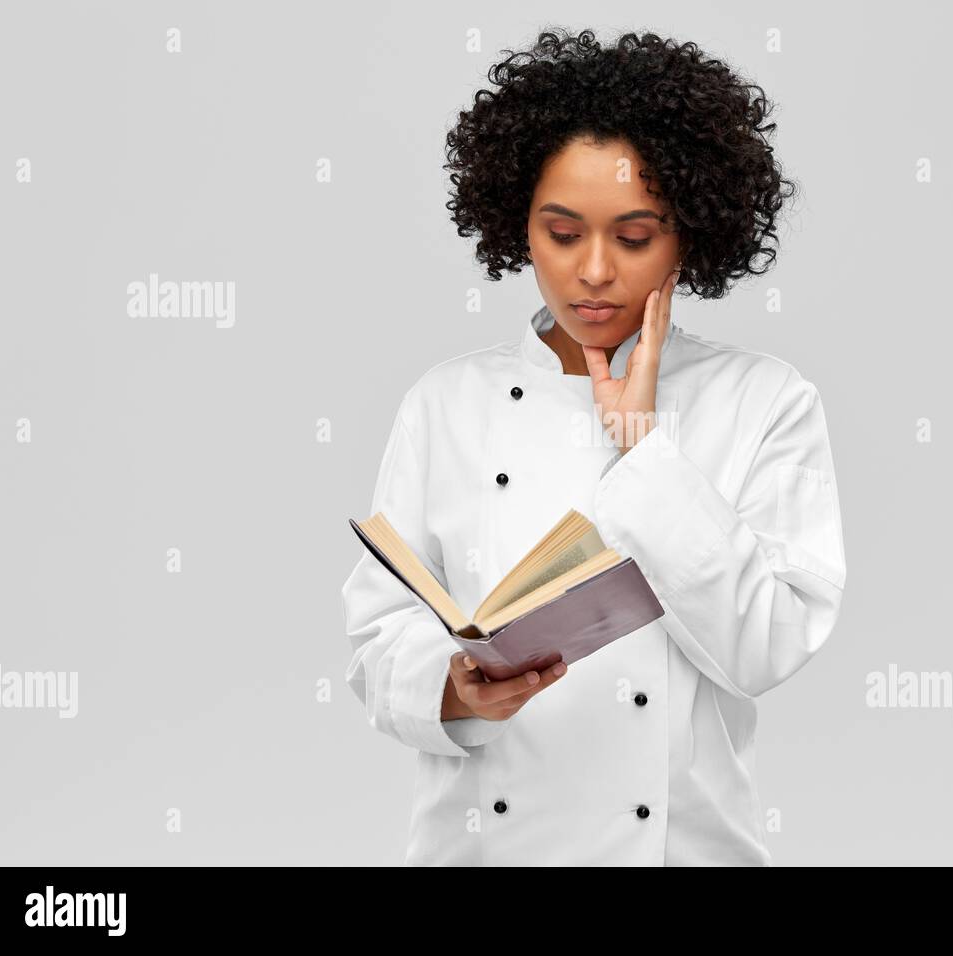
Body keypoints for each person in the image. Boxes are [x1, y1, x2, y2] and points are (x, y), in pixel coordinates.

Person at [341, 27, 846, 866]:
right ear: (519, 227)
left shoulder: (766, 401)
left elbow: (766, 647)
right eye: (563, 233)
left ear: (690, 235)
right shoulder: (446, 403)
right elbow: (375, 643)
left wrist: (640, 447)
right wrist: (452, 687)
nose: (596, 271)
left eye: (636, 236)